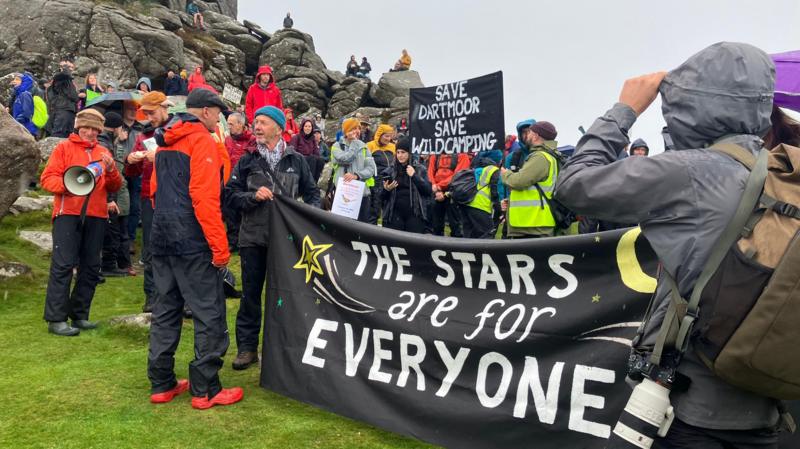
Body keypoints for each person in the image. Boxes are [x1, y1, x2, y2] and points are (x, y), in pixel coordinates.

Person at [555, 42, 781, 448]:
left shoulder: (689, 174)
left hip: (690, 408)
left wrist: (624, 109)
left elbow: (573, 185)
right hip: (765, 399)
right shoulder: (783, 173)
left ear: (688, 107)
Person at [147, 88, 242, 409]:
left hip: (161, 238)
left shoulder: (164, 143)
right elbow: (205, 198)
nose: (221, 118)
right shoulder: (201, 140)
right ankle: (206, 389)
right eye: (218, 112)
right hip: (193, 241)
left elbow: (154, 192)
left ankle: (162, 383)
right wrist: (220, 248)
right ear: (204, 111)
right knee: (209, 313)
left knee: (165, 311)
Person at [224, 105, 320, 370]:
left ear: (279, 128)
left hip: (286, 241)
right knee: (251, 296)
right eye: (255, 122)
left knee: (285, 296)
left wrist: (306, 218)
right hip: (253, 238)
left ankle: (280, 348)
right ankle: (247, 348)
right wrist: (252, 197)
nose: (256, 126)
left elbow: (312, 193)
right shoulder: (247, 159)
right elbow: (230, 195)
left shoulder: (296, 159)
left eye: (263, 122)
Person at [40, 109, 123, 336]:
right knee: (63, 265)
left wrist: (112, 170)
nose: (90, 132)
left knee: (91, 266)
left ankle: (79, 315)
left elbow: (115, 185)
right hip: (68, 213)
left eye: (95, 128)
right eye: (86, 127)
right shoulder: (64, 148)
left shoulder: (104, 151)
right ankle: (56, 319)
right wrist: (68, 186)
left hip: (97, 215)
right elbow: (47, 178)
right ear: (78, 127)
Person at [125, 92, 173, 313]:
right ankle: (152, 297)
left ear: (164, 107)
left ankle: (177, 297)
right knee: (151, 247)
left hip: (174, 195)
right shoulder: (144, 135)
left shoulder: (179, 129)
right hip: (149, 195)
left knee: (177, 246)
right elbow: (132, 171)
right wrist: (131, 160)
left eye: (152, 112)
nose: (149, 117)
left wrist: (161, 157)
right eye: (146, 113)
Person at [500, 121, 559, 239]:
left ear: (536, 135)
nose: (527, 135)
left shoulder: (540, 157)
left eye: (530, 132)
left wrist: (506, 174)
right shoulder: (549, 154)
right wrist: (510, 201)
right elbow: (535, 189)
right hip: (533, 223)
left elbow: (519, 181)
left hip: (534, 224)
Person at [97, 111, 134, 277]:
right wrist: (110, 199)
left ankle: (110, 265)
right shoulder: (105, 144)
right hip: (109, 194)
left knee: (113, 230)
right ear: (117, 127)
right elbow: (109, 173)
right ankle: (109, 265)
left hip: (108, 194)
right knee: (113, 230)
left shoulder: (105, 141)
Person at [331, 117, 377, 222]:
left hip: (362, 193)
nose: (357, 131)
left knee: (361, 231)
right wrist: (354, 144)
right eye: (353, 128)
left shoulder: (365, 147)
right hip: (343, 194)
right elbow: (346, 159)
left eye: (358, 128)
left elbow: (371, 169)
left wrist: (357, 175)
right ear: (346, 131)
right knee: (343, 229)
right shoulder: (336, 146)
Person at [381, 137, 431, 233]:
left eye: (403, 152)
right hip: (394, 213)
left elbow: (428, 191)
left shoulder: (420, 169)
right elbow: (382, 198)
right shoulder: (390, 170)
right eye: (398, 152)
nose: (400, 155)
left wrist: (414, 176)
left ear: (409, 153)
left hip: (415, 214)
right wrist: (387, 189)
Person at [223, 112, 255, 251]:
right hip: (229, 181)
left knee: (244, 213)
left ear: (240, 125)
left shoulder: (252, 140)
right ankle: (232, 241)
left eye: (231, 123)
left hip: (246, 182)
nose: (228, 126)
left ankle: (243, 241)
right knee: (230, 212)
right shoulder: (227, 140)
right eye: (228, 123)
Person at [461, 149, 502, 239]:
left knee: (468, 237)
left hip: (466, 204)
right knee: (486, 236)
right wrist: (499, 209)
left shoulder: (474, 168)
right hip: (480, 206)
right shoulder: (494, 170)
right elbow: (495, 193)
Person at [428, 152, 470, 236]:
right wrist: (434, 186)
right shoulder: (436, 154)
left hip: (453, 191)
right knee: (435, 225)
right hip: (436, 190)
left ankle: (456, 247)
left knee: (455, 225)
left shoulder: (461, 154)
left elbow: (459, 175)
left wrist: (439, 186)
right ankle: (436, 245)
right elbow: (430, 171)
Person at [366, 124, 396, 224]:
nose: (388, 138)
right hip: (376, 181)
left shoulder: (393, 147)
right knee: (374, 210)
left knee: (388, 209)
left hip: (390, 180)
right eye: (386, 136)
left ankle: (387, 234)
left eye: (390, 136)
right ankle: (371, 236)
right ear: (379, 135)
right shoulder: (370, 145)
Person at [46, 67, 79, 138]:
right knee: (59, 133)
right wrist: (65, 67)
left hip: (68, 110)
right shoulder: (62, 81)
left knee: (67, 134)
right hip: (63, 110)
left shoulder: (67, 85)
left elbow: (75, 98)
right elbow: (64, 75)